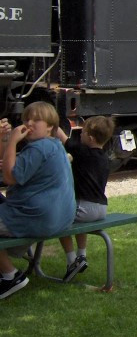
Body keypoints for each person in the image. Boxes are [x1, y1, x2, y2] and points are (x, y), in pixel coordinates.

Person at [0, 103, 76, 299]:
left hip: (35, 217)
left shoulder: (37, 148)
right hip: (61, 217)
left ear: (50, 126)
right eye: (26, 120)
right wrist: (6, 140)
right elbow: (12, 167)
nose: (29, 124)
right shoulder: (55, 145)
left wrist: (12, 142)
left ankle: (11, 276)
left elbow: (9, 177)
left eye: (36, 120)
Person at [55, 116, 116, 281]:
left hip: (84, 207)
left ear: (90, 138)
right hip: (101, 208)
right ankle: (82, 255)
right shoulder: (105, 158)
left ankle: (71, 260)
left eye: (81, 133)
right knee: (80, 221)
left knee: (58, 220)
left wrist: (52, 123)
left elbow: (63, 139)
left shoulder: (83, 152)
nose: (79, 136)